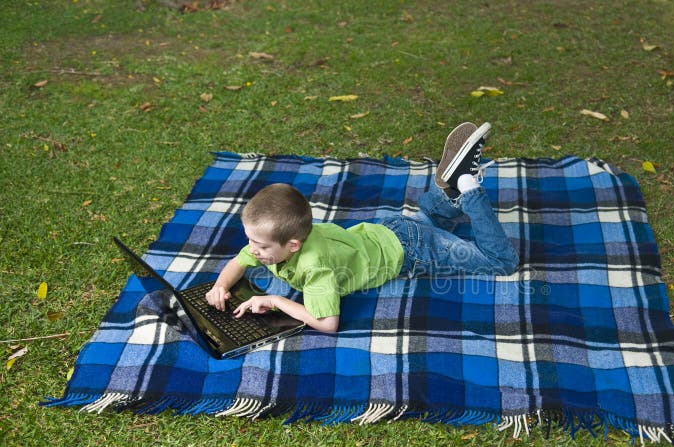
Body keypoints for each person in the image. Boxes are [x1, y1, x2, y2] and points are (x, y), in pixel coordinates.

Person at [205, 122, 519, 333]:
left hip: (412, 251)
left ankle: (467, 187)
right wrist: (221, 285)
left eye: (259, 246)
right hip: (393, 228)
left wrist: (275, 301)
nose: (252, 250)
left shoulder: (315, 267)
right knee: (429, 221)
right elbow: (238, 262)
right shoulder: (271, 241)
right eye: (251, 241)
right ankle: (443, 189)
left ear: (293, 246)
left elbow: (327, 324)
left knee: (501, 262)